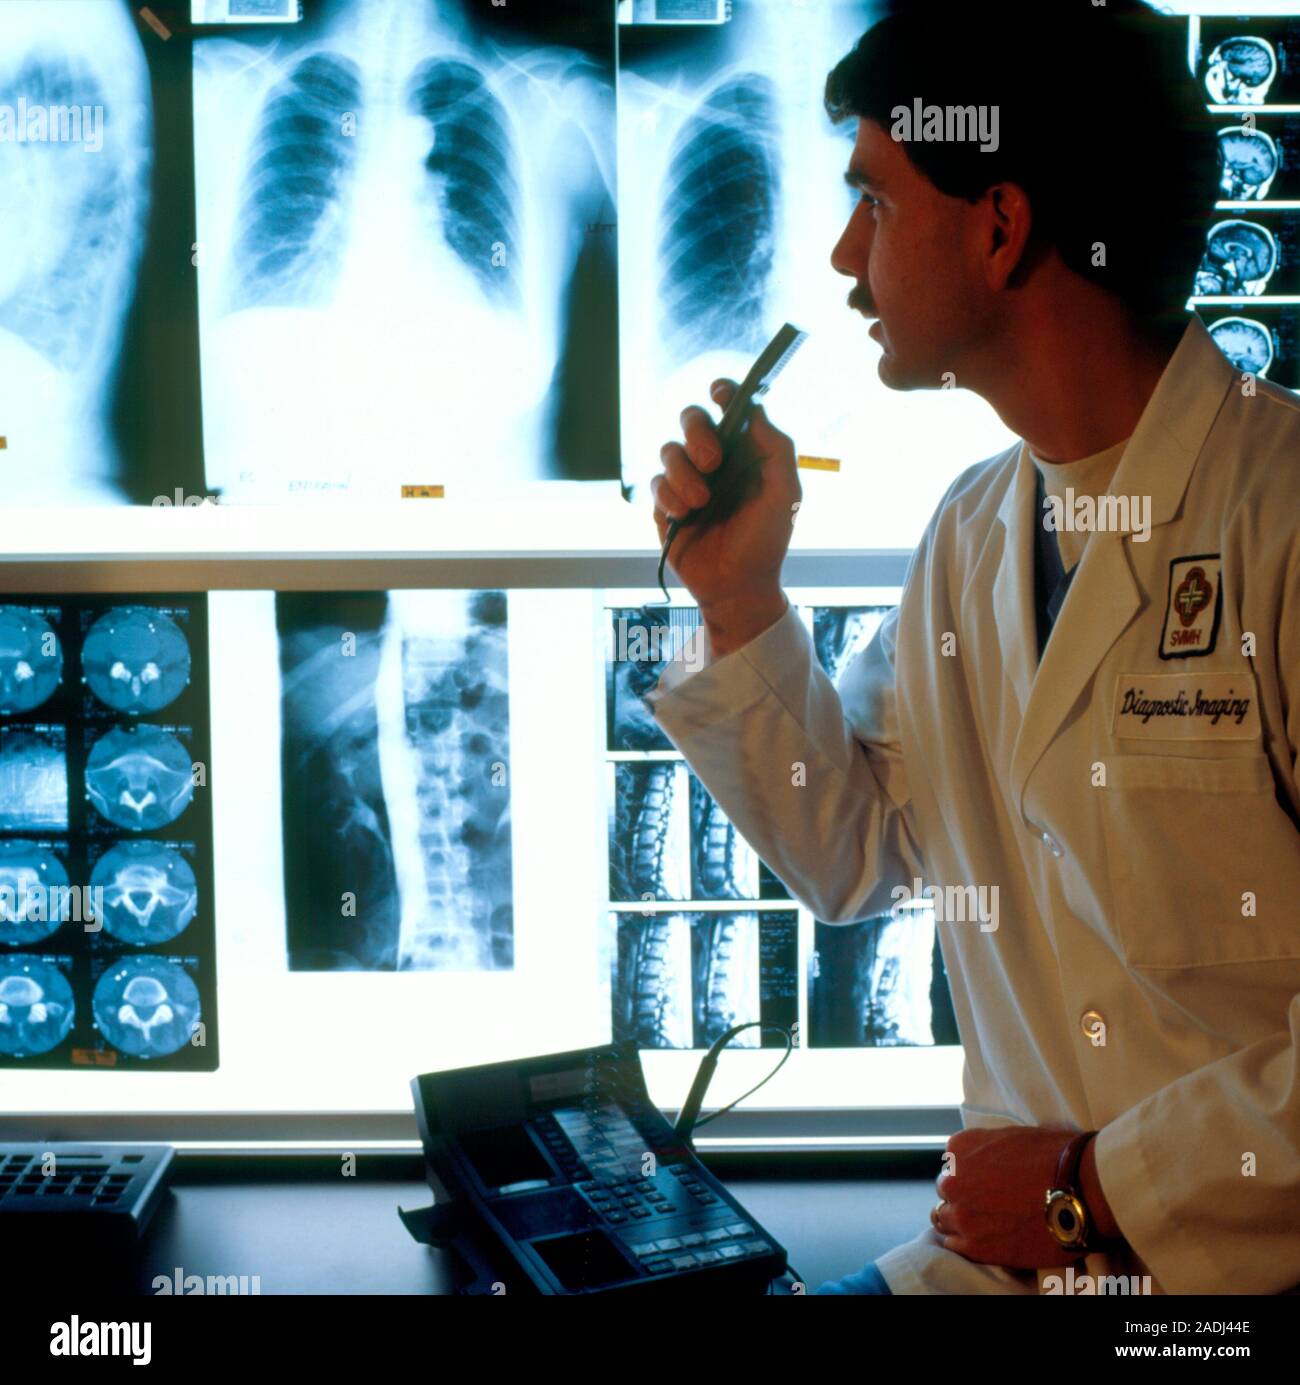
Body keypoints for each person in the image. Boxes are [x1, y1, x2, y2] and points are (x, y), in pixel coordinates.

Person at [645, 0, 1300, 1295]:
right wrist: (740, 604)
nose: (841, 256)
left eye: (874, 204)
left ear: (1000, 229)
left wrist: (1089, 1190)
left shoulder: (1280, 520)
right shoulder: (974, 534)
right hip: (1005, 1274)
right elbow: (855, 851)